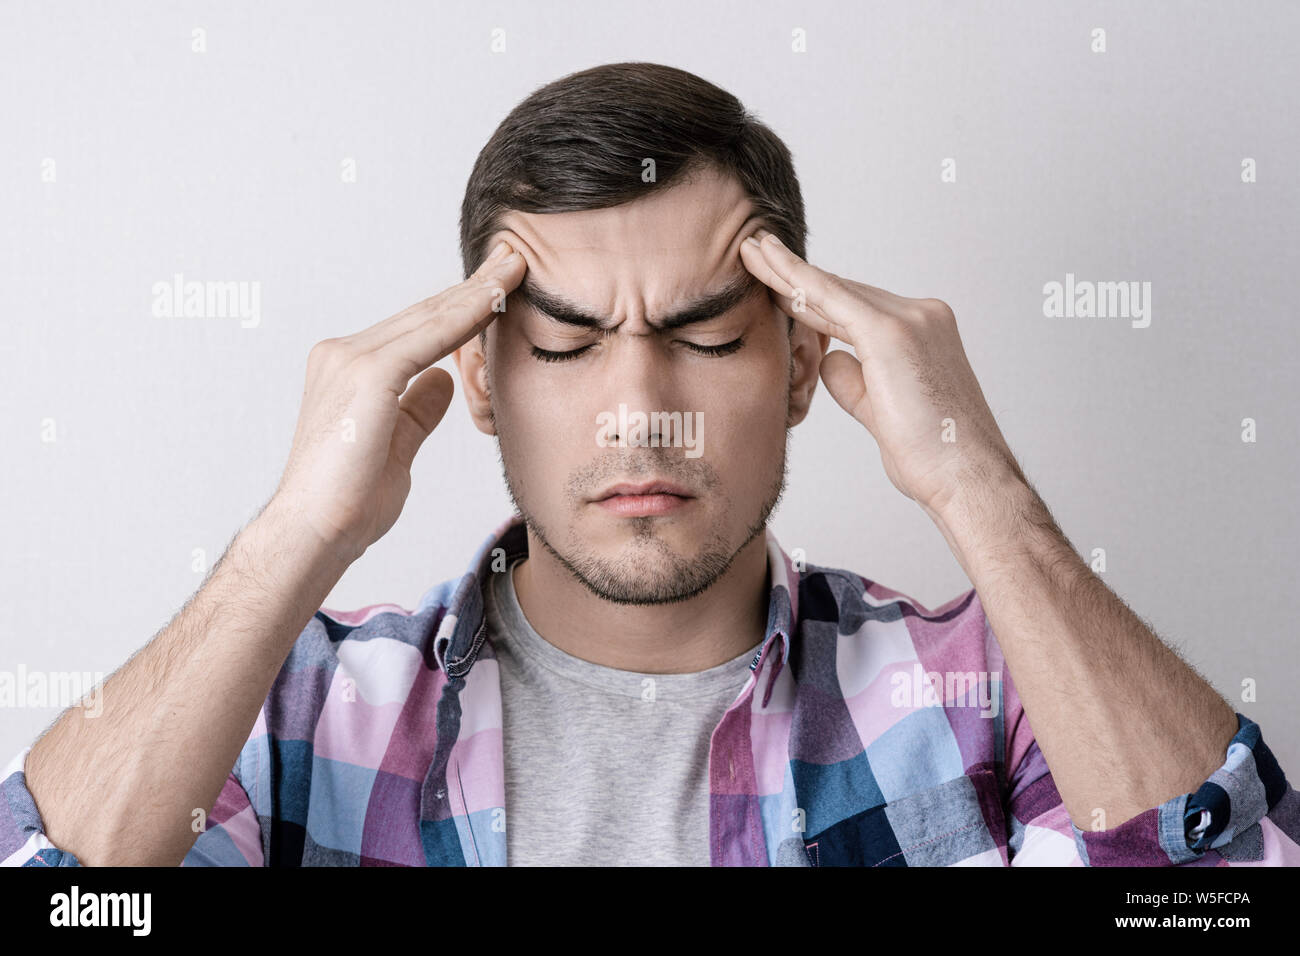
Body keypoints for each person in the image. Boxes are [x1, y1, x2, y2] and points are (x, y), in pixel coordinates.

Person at [3, 62, 1295, 867]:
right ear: (485, 388)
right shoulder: (294, 712)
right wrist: (294, 534)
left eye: (710, 336)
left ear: (799, 368)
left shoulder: (995, 695)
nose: (638, 413)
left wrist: (982, 492)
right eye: (563, 348)